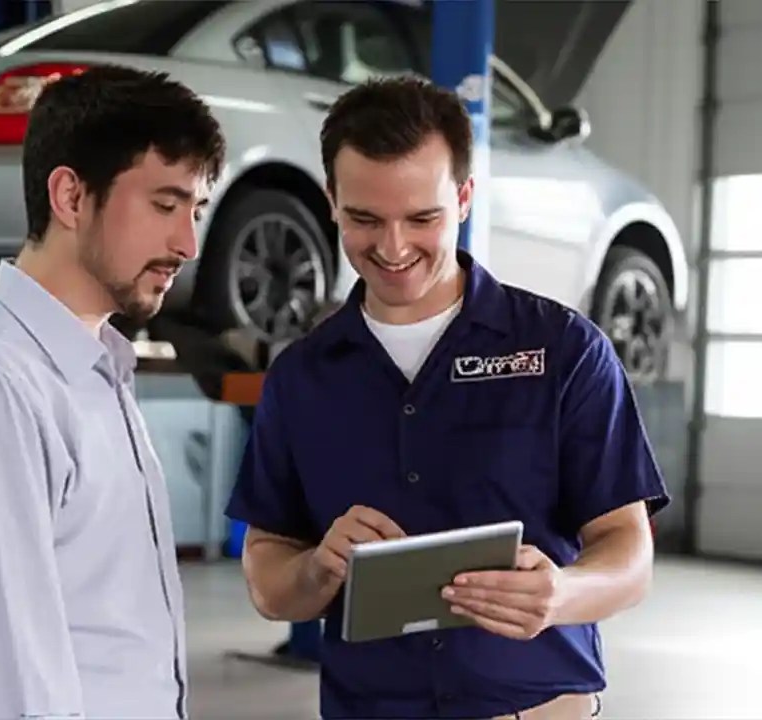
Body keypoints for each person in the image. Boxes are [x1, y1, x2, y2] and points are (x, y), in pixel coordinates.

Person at [225, 75, 668, 720]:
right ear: (331, 201)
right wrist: (320, 568)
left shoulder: (564, 352)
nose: (394, 247)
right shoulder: (301, 380)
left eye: (422, 218)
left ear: (463, 197)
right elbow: (269, 577)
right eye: (365, 219)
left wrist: (561, 593)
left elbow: (629, 555)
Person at [0, 65, 225, 720]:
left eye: (197, 210)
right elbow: (1, 696)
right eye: (165, 205)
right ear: (69, 197)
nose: (188, 244)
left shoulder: (94, 371)